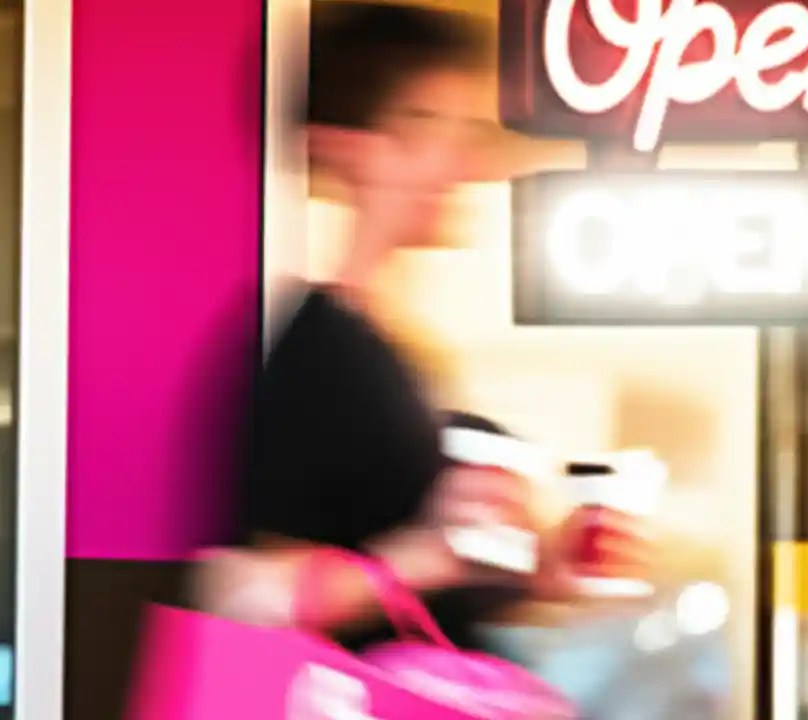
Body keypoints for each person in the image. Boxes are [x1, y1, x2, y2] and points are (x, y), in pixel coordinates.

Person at [195, 1, 637, 653]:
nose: (460, 163)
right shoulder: (317, 350)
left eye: (466, 133)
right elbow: (242, 597)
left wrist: (543, 571)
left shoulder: (387, 351)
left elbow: (399, 568)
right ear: (342, 145)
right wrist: (435, 553)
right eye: (426, 126)